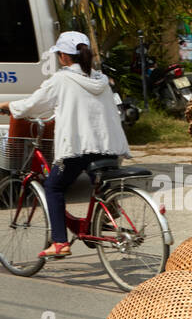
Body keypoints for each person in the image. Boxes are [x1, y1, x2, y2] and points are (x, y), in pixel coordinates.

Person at [0, 31, 130, 259]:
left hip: (78, 148)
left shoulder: (62, 79)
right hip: (109, 146)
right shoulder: (100, 79)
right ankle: (105, 214)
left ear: (64, 56)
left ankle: (60, 242)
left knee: (54, 186)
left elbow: (34, 104)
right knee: (99, 185)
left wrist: (9, 105)